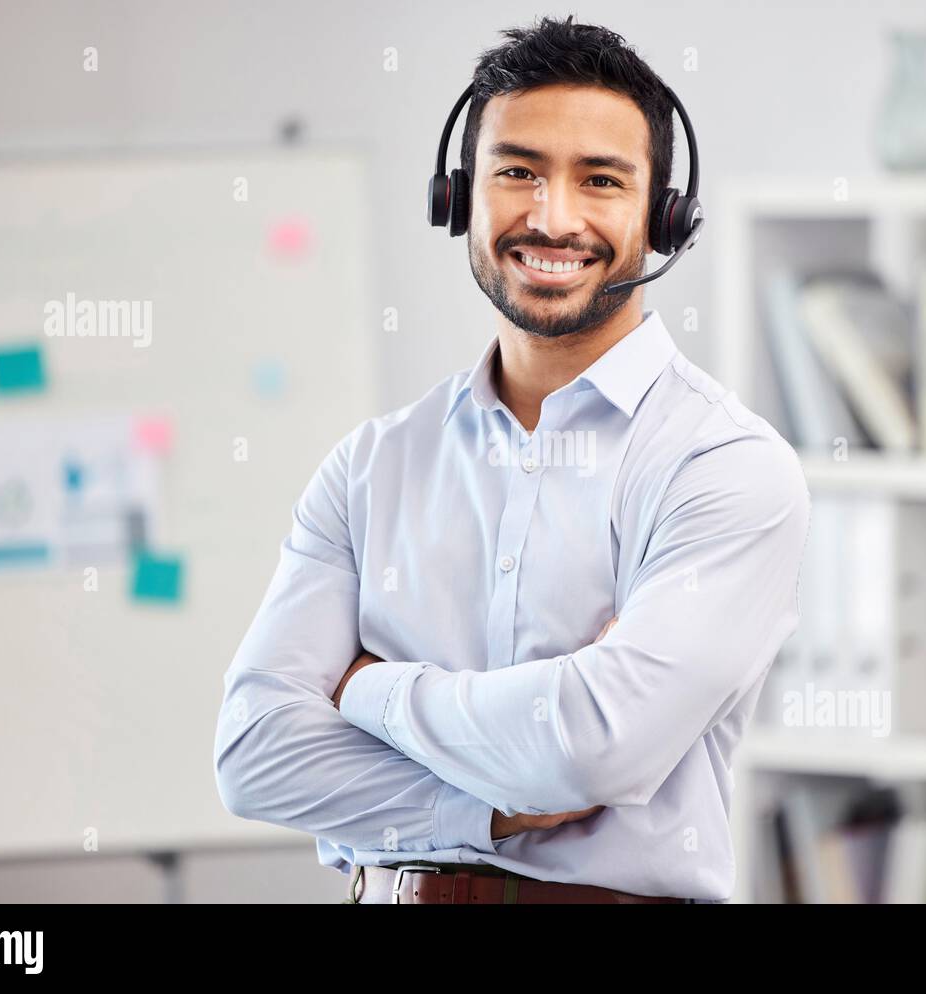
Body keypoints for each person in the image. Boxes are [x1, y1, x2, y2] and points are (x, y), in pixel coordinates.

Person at [214, 15, 808, 904]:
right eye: (518, 172)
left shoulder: (722, 467)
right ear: (458, 197)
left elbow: (587, 746)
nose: (551, 217)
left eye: (600, 180)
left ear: (664, 217)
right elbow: (254, 754)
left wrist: (367, 691)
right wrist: (491, 804)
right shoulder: (371, 466)